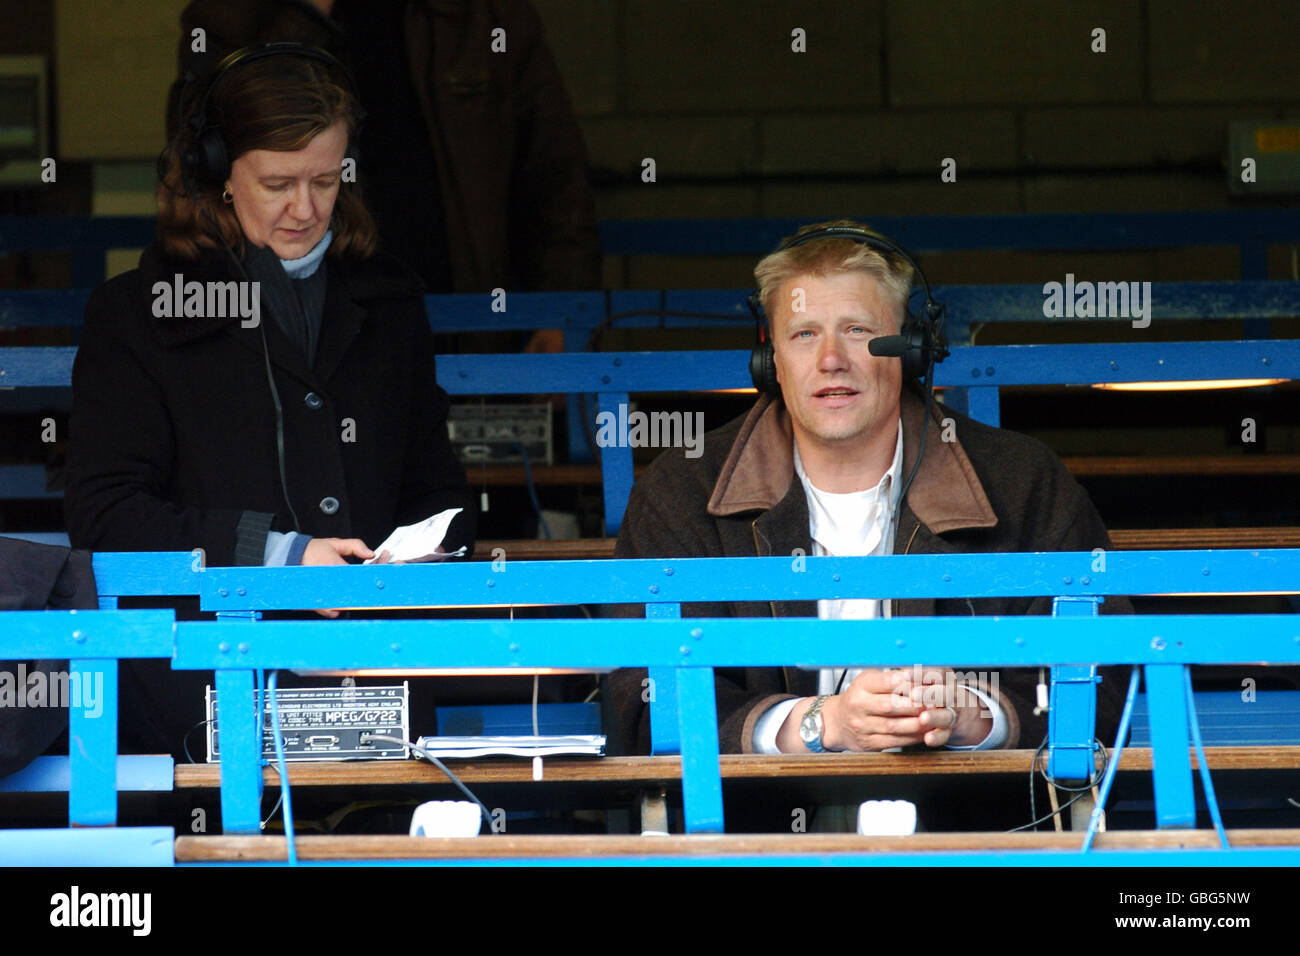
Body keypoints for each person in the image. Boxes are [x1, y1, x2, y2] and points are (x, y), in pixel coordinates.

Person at [609, 220, 1128, 768]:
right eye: (804, 333)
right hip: (757, 837)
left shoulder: (1023, 479)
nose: (831, 359)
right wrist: (822, 723)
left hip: (967, 831)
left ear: (912, 349)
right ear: (771, 360)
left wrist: (974, 714)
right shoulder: (681, 488)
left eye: (857, 330)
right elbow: (640, 704)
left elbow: (1105, 682)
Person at [66, 44, 474, 570]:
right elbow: (104, 513)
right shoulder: (136, 313)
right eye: (277, 184)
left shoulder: (389, 301)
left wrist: (425, 549)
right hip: (209, 637)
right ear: (217, 175)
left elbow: (436, 487)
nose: (304, 209)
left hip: (376, 632)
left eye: (325, 181)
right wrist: (279, 552)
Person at [165, 0, 602, 296]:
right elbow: (193, 162)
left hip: (466, 310)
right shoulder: (230, 15)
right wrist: (303, 14)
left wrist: (564, 312)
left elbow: (556, 174)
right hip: (296, 322)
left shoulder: (486, 15)